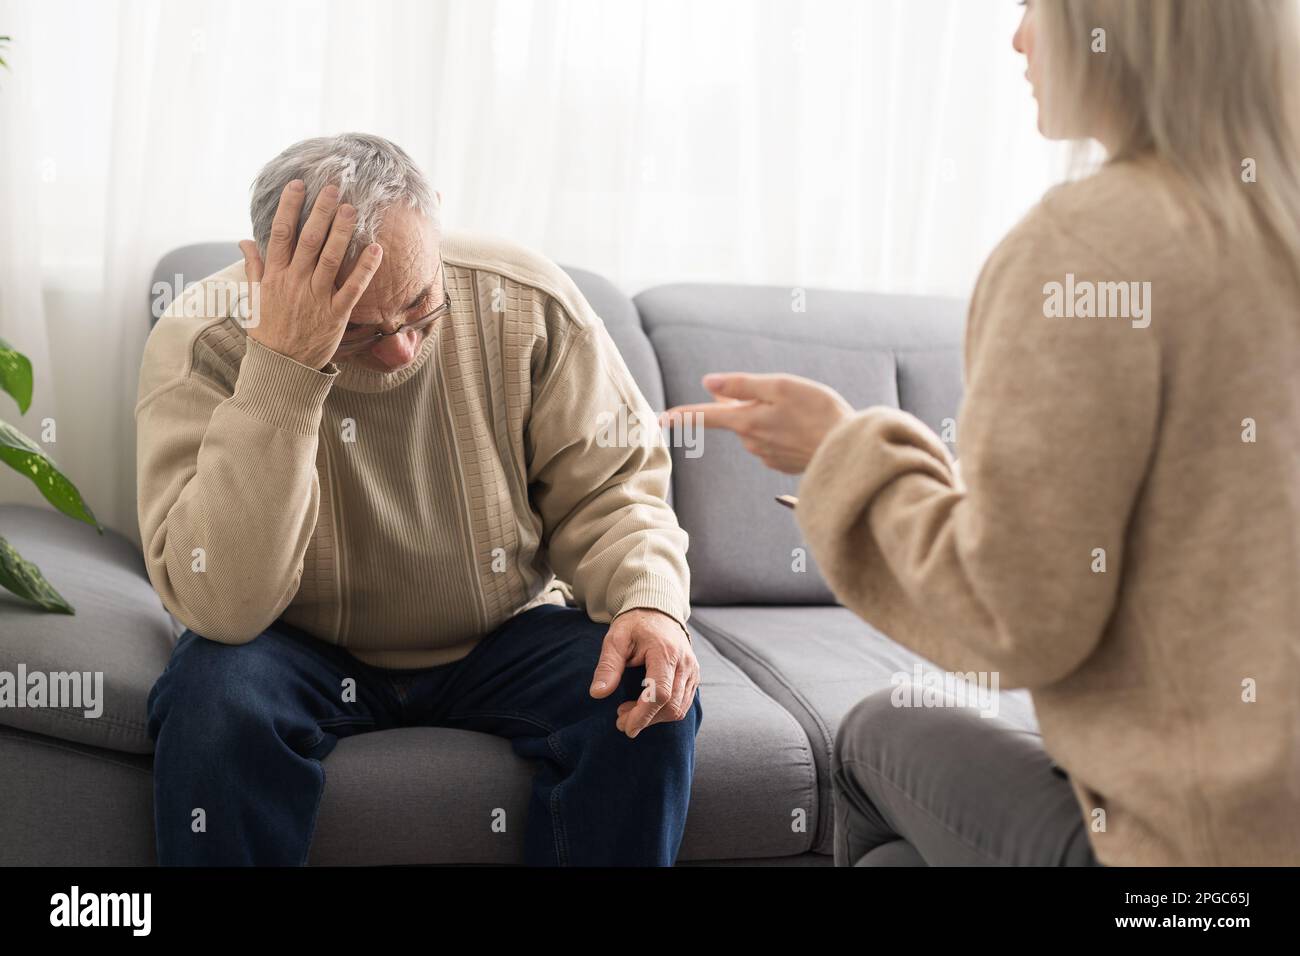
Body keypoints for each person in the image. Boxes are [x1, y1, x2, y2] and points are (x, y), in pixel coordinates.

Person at [663, 0, 1300, 866]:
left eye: (1038, 6)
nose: (1019, 36)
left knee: (876, 735)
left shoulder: (1089, 245)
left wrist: (841, 450)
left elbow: (1012, 613)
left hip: (1190, 862)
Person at [138, 133, 700, 866]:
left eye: (419, 306)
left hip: (503, 634)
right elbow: (223, 605)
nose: (402, 349)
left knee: (646, 690)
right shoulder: (203, 340)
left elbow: (615, 488)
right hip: (292, 643)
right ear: (273, 277)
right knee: (210, 706)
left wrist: (649, 598)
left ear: (434, 229)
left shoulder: (524, 299)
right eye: (360, 329)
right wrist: (285, 369)